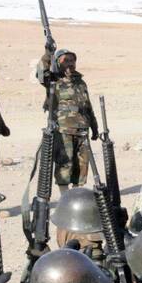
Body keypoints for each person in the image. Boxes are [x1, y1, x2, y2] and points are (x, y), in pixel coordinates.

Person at [35, 47, 98, 190]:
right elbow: (40, 72)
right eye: (66, 60)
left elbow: (88, 106)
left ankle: (76, 195)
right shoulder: (53, 80)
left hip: (82, 130)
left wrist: (94, 127)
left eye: (72, 60)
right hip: (63, 130)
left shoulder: (81, 82)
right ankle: (65, 197)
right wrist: (48, 53)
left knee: (82, 165)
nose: (70, 63)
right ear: (57, 63)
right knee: (64, 164)